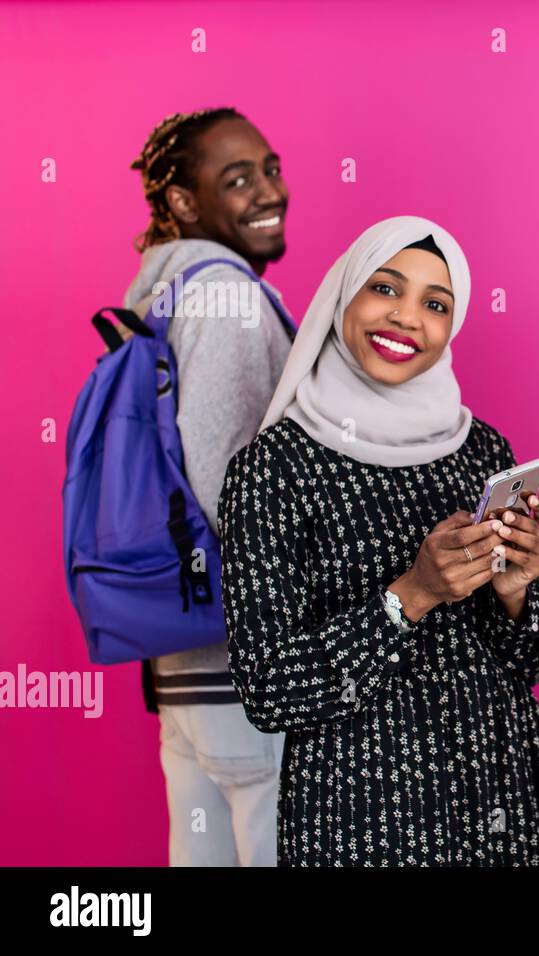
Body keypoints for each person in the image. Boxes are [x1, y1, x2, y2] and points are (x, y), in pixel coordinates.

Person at [219, 215, 539, 866]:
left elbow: (535, 661)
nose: (408, 317)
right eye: (385, 289)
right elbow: (268, 689)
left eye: (435, 304)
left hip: (501, 794)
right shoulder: (273, 467)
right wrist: (411, 595)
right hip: (365, 811)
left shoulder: (481, 449)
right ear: (344, 296)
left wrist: (516, 591)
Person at [123, 107, 293, 866]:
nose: (269, 191)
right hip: (248, 667)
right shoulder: (226, 298)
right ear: (185, 203)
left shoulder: (159, 296)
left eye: (270, 168)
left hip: (182, 661)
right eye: (237, 179)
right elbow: (228, 487)